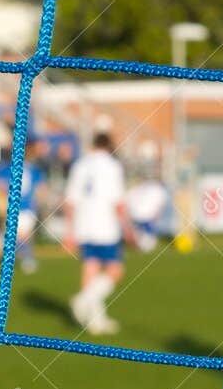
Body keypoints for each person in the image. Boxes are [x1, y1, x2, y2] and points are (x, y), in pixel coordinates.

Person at [64, 132, 131, 336]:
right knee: (115, 270)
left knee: (91, 267)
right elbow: (118, 202)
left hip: (83, 224)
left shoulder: (80, 165)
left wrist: (69, 232)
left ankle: (96, 320)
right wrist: (128, 228)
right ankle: (82, 300)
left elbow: (70, 201)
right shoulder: (112, 166)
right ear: (109, 146)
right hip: (105, 225)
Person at [127, 171, 171, 251]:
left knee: (143, 236)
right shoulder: (159, 189)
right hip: (145, 215)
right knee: (146, 238)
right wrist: (156, 218)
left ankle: (141, 244)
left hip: (137, 214)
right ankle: (142, 244)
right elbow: (160, 205)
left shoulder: (141, 187)